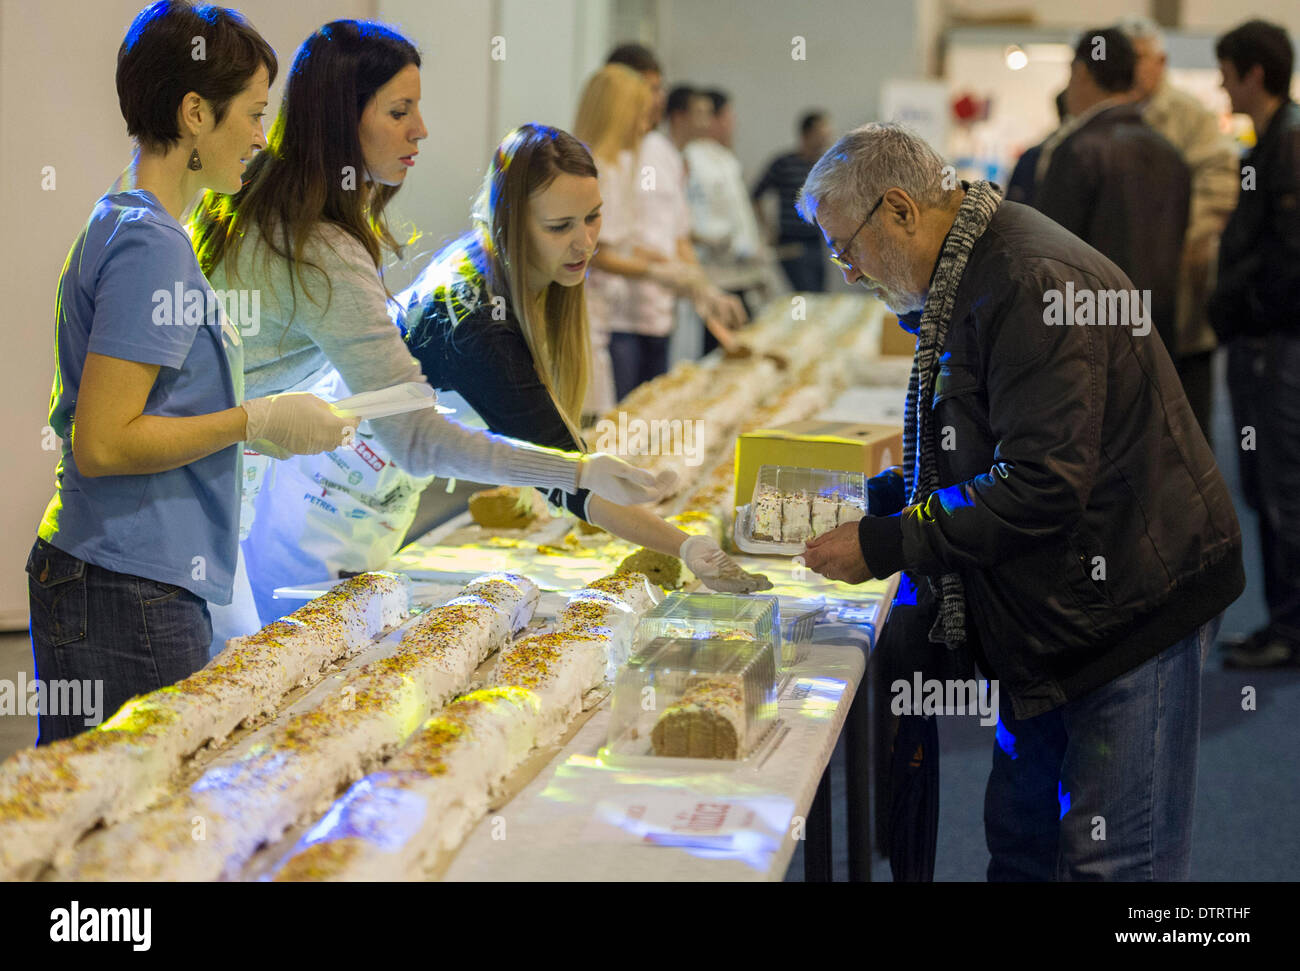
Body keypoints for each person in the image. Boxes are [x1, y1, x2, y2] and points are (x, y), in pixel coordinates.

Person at [798, 123, 1244, 880]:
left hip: (1129, 606)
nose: (847, 271)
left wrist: (884, 543)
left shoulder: (1029, 278)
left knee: (1110, 860)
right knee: (1023, 844)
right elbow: (970, 441)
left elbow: (1039, 482)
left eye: (848, 247)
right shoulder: (972, 269)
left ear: (900, 210)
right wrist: (871, 502)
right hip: (1052, 613)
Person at [192, 22, 668, 629]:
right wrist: (573, 471)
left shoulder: (287, 209)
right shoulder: (324, 246)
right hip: (225, 516)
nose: (420, 128)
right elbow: (417, 441)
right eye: (399, 111)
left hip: (229, 506)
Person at [26, 1, 355, 745]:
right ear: (196, 112)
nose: (262, 139)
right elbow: (104, 442)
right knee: (134, 826)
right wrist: (253, 420)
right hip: (127, 583)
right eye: (254, 113)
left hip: (119, 573)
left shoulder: (134, 223)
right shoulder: (152, 245)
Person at [400, 124, 769, 594]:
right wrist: (685, 546)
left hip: (409, 492)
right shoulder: (477, 321)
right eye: (559, 227)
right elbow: (567, 478)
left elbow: (563, 469)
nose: (585, 242)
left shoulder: (518, 270)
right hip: (342, 497)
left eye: (593, 217)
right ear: (510, 221)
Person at [1208, 20, 1300, 669]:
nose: (1221, 83)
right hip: (1263, 343)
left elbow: (1289, 261)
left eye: (1227, 71)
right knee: (1267, 485)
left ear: (1254, 74)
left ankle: (1290, 629)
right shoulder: (1270, 142)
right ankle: (1282, 622)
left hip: (1277, 347)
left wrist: (1244, 311)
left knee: (1280, 487)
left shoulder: (1288, 144)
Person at [1118, 15, 1239, 444]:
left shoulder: (1190, 116)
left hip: (1181, 305)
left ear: (1161, 61)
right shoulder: (1109, 114)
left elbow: (1220, 186)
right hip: (1119, 303)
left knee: (1187, 433)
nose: (1129, 67)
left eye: (1138, 58)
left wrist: (1167, 243)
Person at [1035, 27, 1191, 358]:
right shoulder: (1170, 153)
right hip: (1155, 335)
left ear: (1081, 72)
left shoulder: (1077, 150)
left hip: (1085, 341)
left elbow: (1048, 261)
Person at [600, 46, 747, 395]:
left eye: (659, 88)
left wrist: (704, 290)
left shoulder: (662, 153)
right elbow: (599, 248)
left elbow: (678, 236)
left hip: (658, 314)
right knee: (620, 429)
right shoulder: (603, 155)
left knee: (652, 416)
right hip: (614, 319)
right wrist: (656, 269)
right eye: (649, 89)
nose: (658, 99)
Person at [683, 88, 767, 353]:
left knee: (740, 343)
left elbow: (739, 213)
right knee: (716, 350)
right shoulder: (690, 158)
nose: (734, 124)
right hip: (713, 271)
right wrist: (706, 237)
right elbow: (686, 214)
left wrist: (753, 247)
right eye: (729, 116)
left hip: (739, 270)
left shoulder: (725, 159)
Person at [752, 110, 834, 293]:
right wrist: (768, 229)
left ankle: (810, 322)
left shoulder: (823, 167)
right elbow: (756, 194)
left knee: (819, 294)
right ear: (808, 134)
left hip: (816, 241)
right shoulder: (784, 164)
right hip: (791, 243)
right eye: (822, 134)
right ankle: (802, 321)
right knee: (804, 296)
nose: (826, 139)